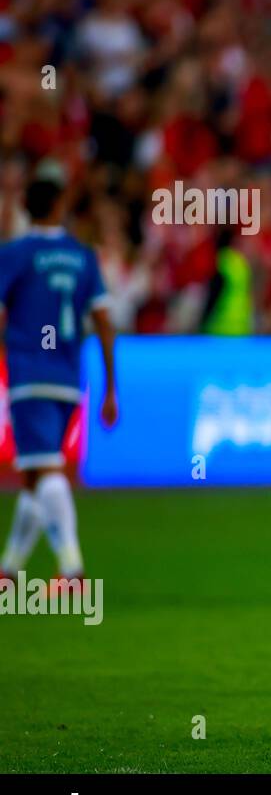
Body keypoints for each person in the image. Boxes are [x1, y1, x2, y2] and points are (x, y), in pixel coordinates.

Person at [0, 176, 118, 591]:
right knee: (36, 472)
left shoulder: (15, 253)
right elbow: (104, 321)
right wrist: (111, 388)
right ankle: (9, 570)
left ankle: (72, 571)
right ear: (58, 206)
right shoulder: (81, 256)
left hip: (30, 373)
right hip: (70, 378)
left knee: (45, 468)